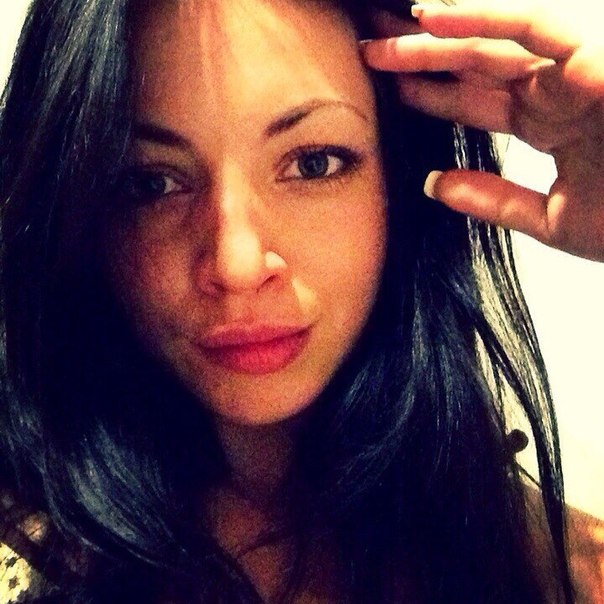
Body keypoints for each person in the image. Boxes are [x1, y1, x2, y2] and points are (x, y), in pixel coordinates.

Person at [0, 0, 602, 602]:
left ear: (397, 183)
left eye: (314, 164)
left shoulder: (551, 566)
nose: (236, 267)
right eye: (152, 183)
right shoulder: (27, 555)